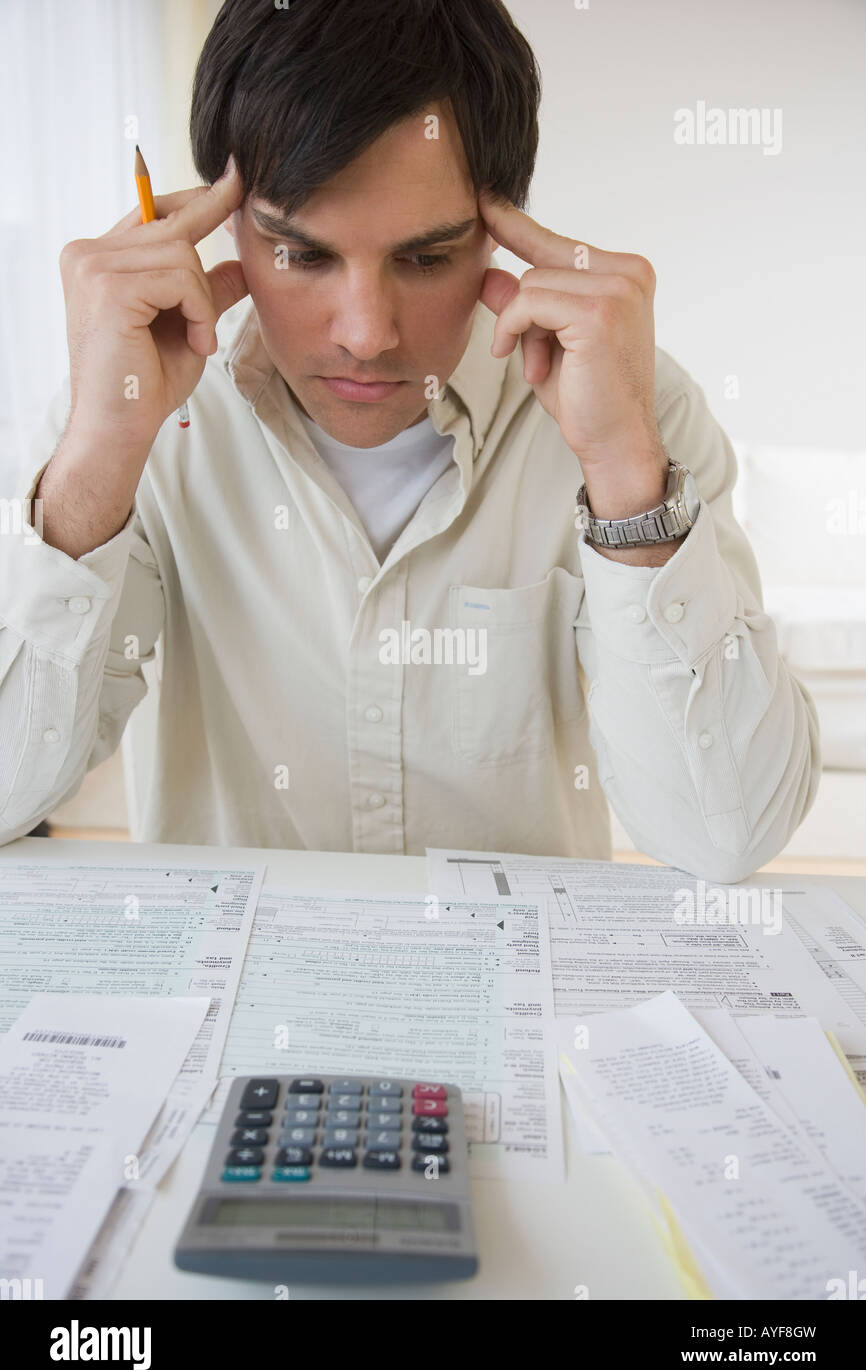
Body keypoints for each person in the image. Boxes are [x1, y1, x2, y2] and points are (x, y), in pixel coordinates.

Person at [0, 0, 819, 879]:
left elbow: (726, 839)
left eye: (425, 259)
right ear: (213, 222)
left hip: (513, 1001)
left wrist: (625, 475)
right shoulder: (125, 414)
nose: (365, 333)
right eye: (301, 254)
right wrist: (98, 465)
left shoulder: (636, 410)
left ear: (503, 233)